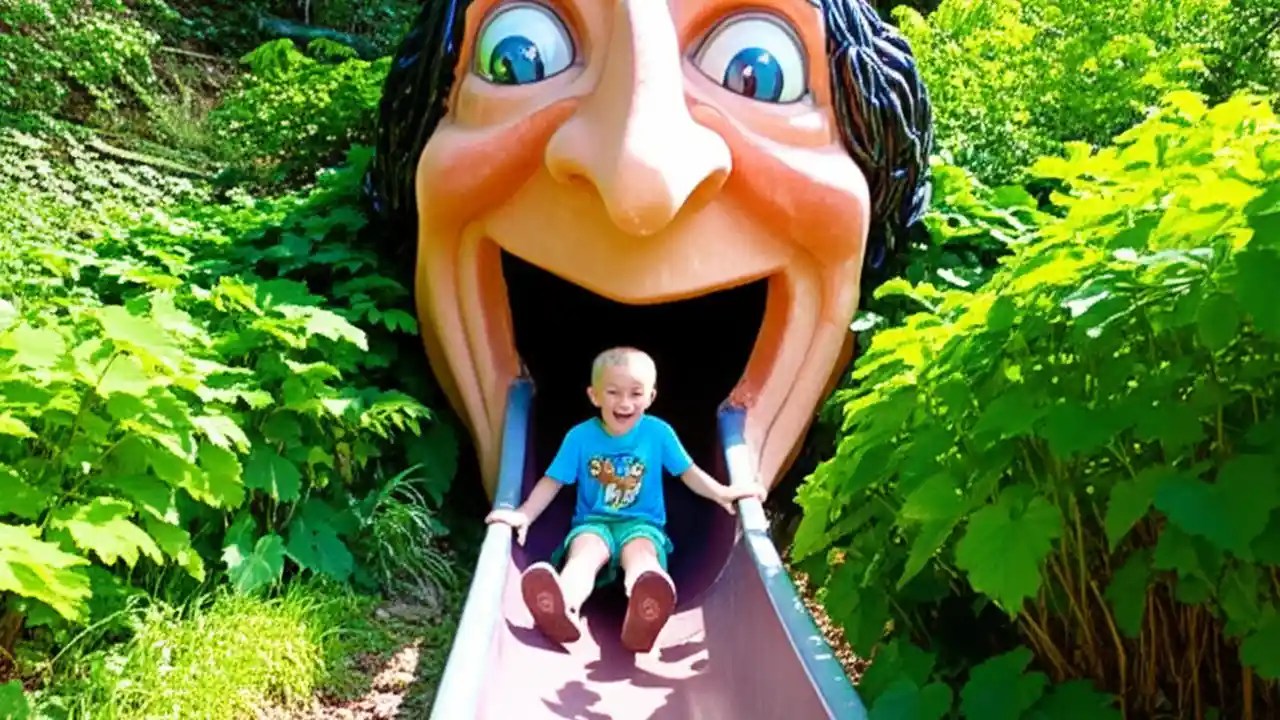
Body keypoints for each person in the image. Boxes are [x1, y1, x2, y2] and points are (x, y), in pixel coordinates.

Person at [485, 346, 766, 652]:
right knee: (583, 557)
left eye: (635, 393)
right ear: (594, 396)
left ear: (650, 397)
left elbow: (689, 473)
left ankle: (646, 605)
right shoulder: (580, 437)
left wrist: (723, 492)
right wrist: (524, 514)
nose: (624, 402)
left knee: (641, 555)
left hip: (642, 525)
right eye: (613, 392)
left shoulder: (659, 433)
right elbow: (553, 482)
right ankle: (563, 605)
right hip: (593, 523)